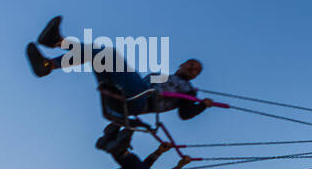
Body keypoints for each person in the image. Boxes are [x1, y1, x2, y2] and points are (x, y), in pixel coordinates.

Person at [25, 15, 214, 123]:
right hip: (126, 93)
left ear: (195, 77)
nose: (192, 68)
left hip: (139, 100)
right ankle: (48, 65)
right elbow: (143, 81)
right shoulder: (162, 76)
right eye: (190, 63)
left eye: (196, 70)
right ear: (181, 64)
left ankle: (58, 42)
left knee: (109, 54)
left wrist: (202, 106)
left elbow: (185, 113)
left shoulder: (188, 90)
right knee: (98, 55)